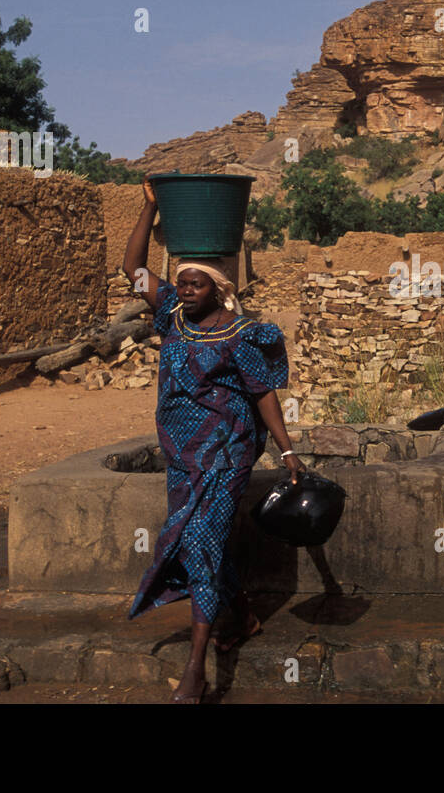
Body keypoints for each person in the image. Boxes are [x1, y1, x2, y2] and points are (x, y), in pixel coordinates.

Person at [123, 172, 305, 703]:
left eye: (195, 284)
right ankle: (243, 616)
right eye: (180, 283)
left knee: (199, 539)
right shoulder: (173, 318)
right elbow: (132, 268)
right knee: (202, 536)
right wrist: (150, 210)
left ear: (218, 288)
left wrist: (287, 449)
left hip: (226, 451)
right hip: (181, 452)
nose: (184, 290)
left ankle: (197, 669)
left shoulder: (244, 334)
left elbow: (264, 394)